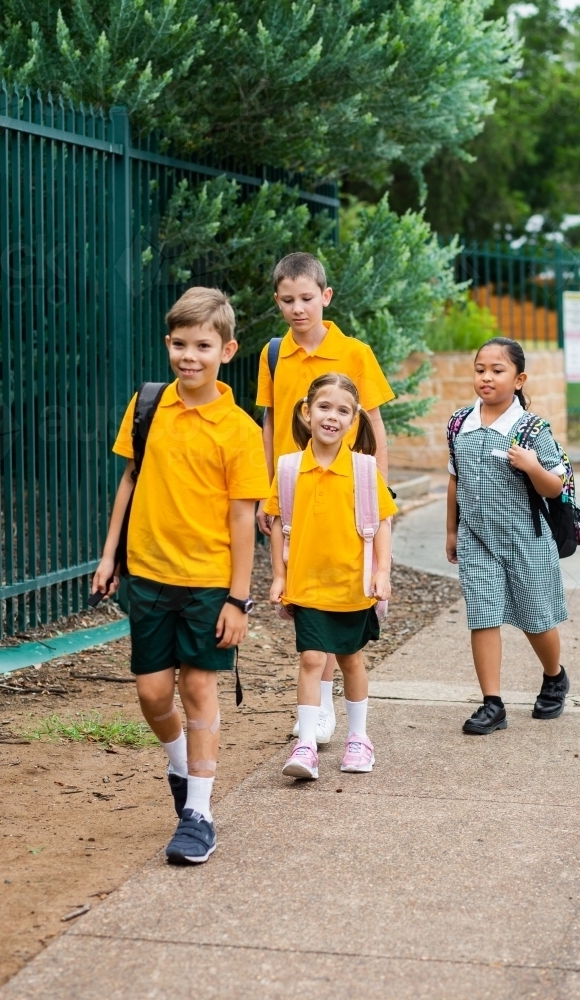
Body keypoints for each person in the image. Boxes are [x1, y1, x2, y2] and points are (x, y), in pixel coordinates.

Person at [91, 287, 270, 863]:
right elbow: (129, 480)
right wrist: (109, 555)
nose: (190, 356)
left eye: (203, 345)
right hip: (146, 571)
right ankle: (180, 768)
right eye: (180, 344)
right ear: (169, 343)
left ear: (227, 349)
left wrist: (237, 600)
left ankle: (198, 813)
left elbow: (243, 520)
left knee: (197, 687)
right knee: (150, 692)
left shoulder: (239, 430)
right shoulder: (148, 405)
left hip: (208, 580)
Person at [256, 252, 394, 745]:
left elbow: (374, 423)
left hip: (345, 490)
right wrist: (265, 493)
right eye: (289, 300)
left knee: (339, 585)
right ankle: (318, 698)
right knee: (303, 588)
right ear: (278, 301)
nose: (299, 308)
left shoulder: (354, 352)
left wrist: (377, 487)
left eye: (307, 298)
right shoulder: (273, 354)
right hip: (294, 491)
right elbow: (270, 423)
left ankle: (326, 708)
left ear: (325, 297)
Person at [265, 372, 396, 779]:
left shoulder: (362, 469)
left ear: (354, 419)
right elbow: (277, 525)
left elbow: (383, 523)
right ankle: (306, 743)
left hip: (352, 585)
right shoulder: (289, 469)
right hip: (306, 585)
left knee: (351, 661)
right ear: (306, 412)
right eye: (324, 407)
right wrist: (278, 577)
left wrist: (382, 572)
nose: (332, 417)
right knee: (311, 659)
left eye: (343, 410)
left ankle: (359, 738)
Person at [445, 337, 570, 735]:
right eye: (480, 369)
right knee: (483, 616)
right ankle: (492, 704)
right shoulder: (459, 423)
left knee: (537, 618)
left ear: (519, 379)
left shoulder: (531, 429)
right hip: (476, 539)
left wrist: (532, 465)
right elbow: (455, 480)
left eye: (497, 371)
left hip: (525, 540)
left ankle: (554, 675)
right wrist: (452, 529)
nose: (487, 377)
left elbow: (554, 487)